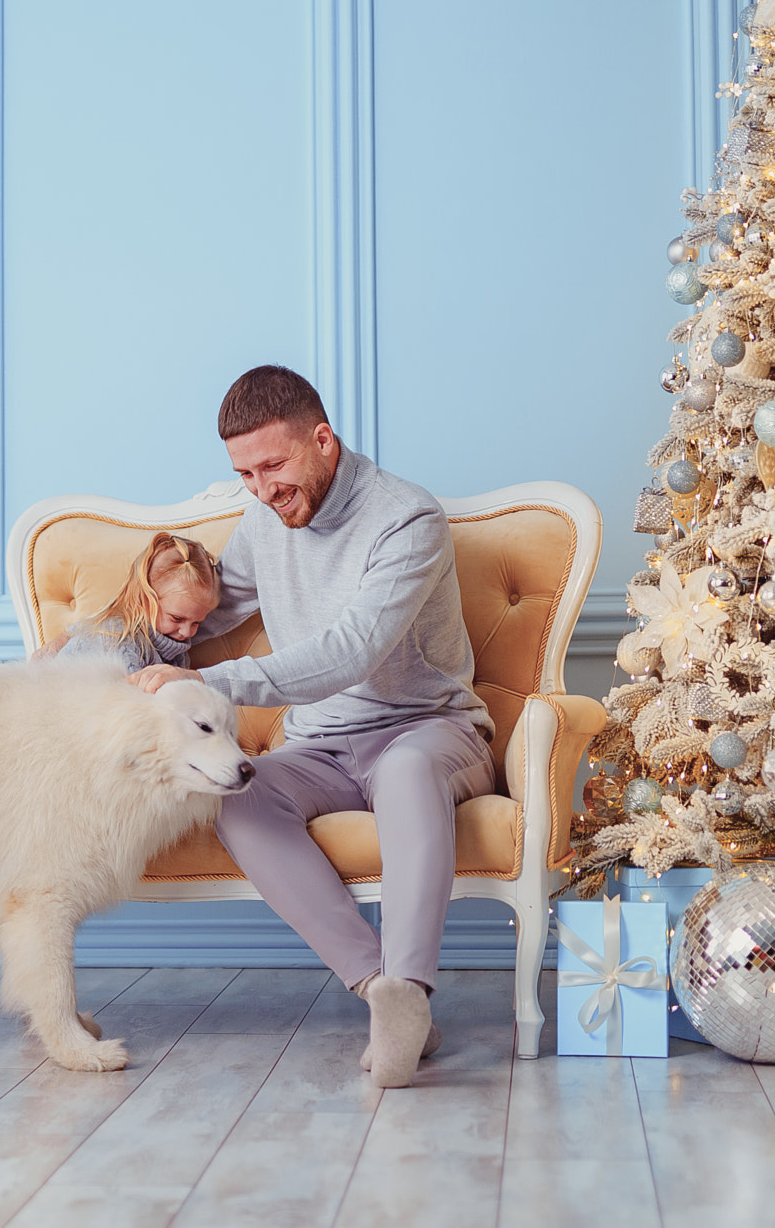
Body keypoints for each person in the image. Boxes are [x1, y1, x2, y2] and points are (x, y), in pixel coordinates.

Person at [133, 365, 493, 1087]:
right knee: (238, 790)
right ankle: (383, 993)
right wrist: (106, 651)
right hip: (322, 745)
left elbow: (351, 653)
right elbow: (211, 609)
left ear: (323, 440)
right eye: (245, 474)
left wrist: (209, 680)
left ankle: (412, 983)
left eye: (273, 464)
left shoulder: (406, 518)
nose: (263, 489)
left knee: (404, 768)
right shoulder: (265, 520)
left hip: (429, 729)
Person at [42, 532, 221, 670]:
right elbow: (131, 707)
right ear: (145, 598)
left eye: (197, 622)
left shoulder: (175, 651)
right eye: (177, 619)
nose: (187, 631)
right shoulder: (119, 642)